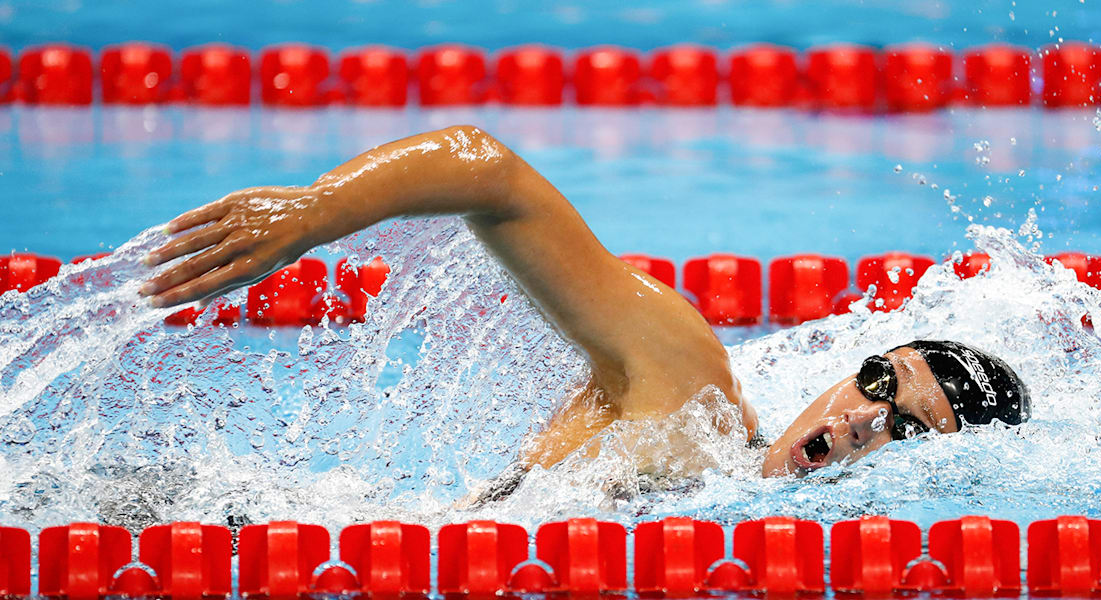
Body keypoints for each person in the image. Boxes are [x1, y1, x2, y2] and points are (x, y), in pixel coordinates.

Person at [140, 125, 1029, 493]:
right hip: (239, 535)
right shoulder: (693, 396)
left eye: (908, 429)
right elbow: (490, 171)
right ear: (848, 367)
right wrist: (315, 211)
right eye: (881, 382)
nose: (867, 420)